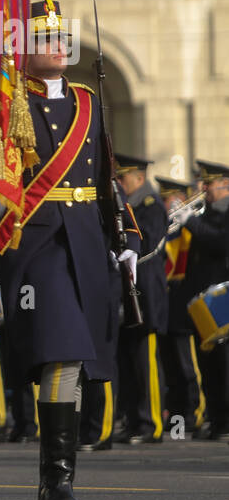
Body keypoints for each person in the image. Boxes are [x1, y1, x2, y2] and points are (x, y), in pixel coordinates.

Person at [0, 0, 140, 500]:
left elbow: (107, 180)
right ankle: (54, 487)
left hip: (88, 240)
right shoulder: (10, 103)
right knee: (60, 351)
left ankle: (61, 484)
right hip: (37, 242)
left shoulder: (87, 102)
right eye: (45, 38)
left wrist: (127, 240)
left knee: (77, 362)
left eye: (61, 36)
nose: (58, 44)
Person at [105, 154, 167, 444]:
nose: (119, 182)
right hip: (127, 292)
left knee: (145, 364)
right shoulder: (125, 207)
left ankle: (150, 423)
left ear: (139, 179)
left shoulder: (150, 206)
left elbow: (148, 244)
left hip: (146, 293)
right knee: (128, 363)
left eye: (124, 177)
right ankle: (133, 420)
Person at [170, 160, 229, 440]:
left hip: (224, 301)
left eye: (209, 185)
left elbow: (221, 242)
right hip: (201, 303)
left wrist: (190, 221)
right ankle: (217, 421)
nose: (204, 190)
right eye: (203, 185)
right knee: (208, 365)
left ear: (225, 185)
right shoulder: (204, 214)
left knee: (225, 364)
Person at [155, 176, 204, 433]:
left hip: (184, 303)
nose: (168, 205)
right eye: (165, 200)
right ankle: (177, 419)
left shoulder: (190, 225)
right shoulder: (168, 227)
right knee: (171, 367)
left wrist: (189, 220)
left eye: (172, 199)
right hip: (168, 304)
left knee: (187, 366)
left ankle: (194, 412)